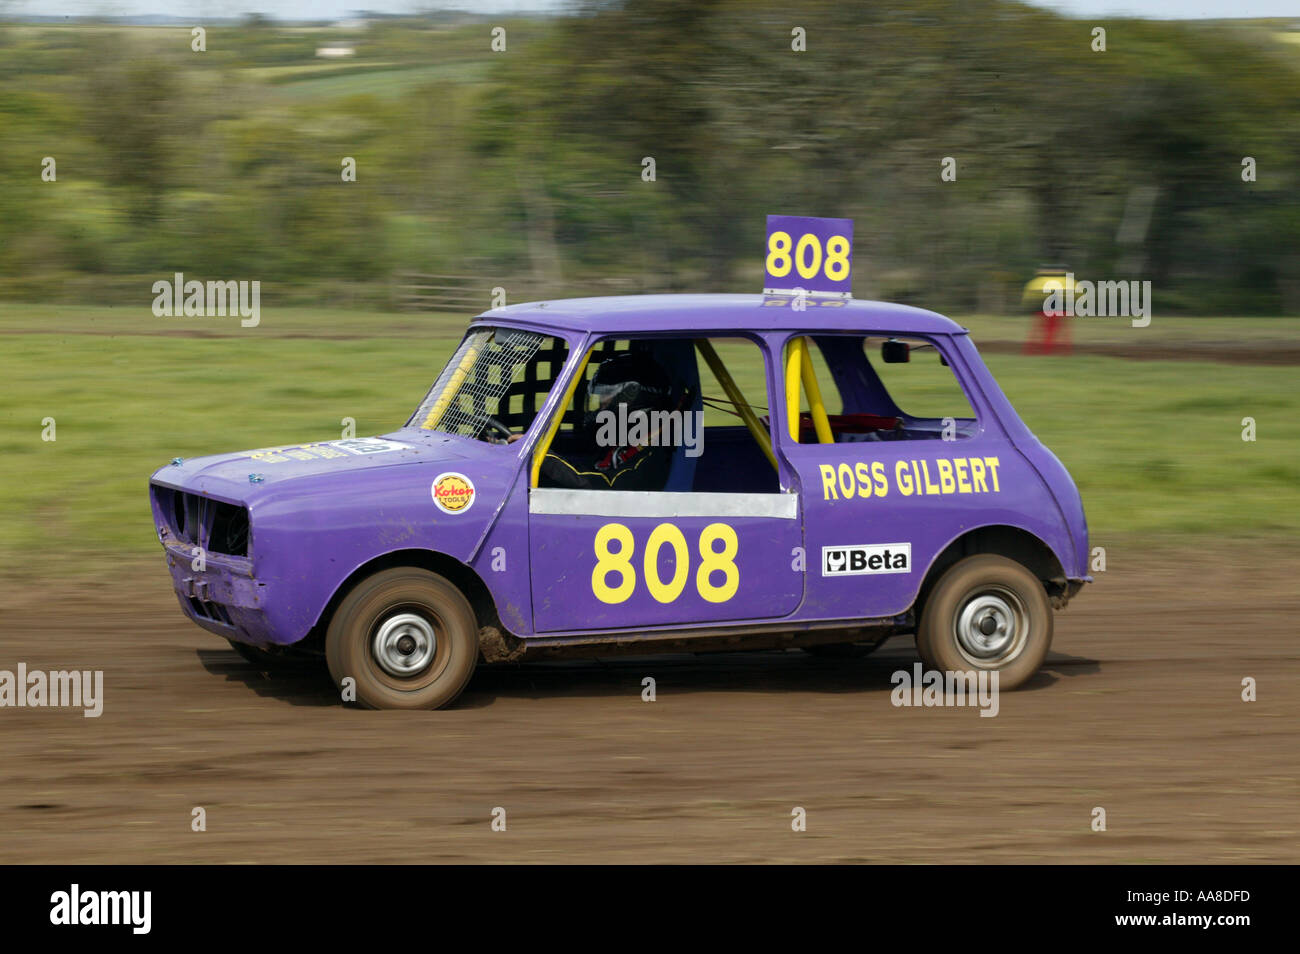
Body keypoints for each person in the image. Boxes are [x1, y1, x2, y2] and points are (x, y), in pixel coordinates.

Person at [536, 351, 675, 490]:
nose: (602, 402)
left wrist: (544, 458)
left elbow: (606, 487)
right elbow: (584, 445)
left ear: (633, 397)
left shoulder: (653, 456)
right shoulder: (624, 438)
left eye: (607, 394)